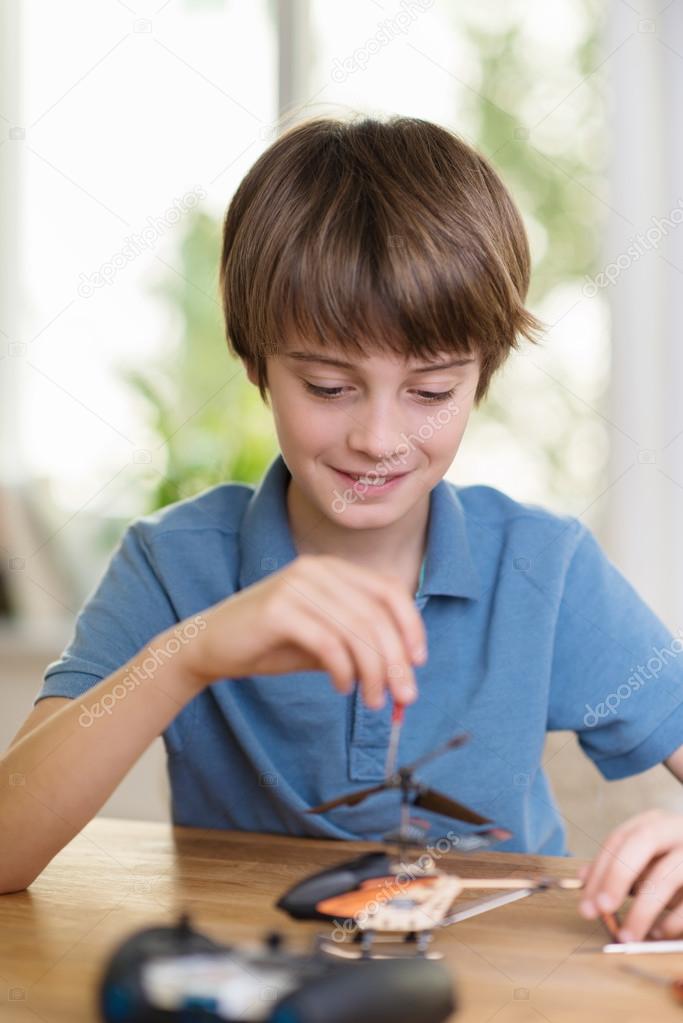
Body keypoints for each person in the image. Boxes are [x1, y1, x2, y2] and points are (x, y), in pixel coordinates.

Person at [2, 117, 683, 943]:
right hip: (261, 973)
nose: (378, 438)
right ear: (254, 360)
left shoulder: (543, 566)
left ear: (482, 375)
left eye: (430, 392)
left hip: (505, 977)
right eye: (328, 386)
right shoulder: (172, 565)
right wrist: (191, 653)